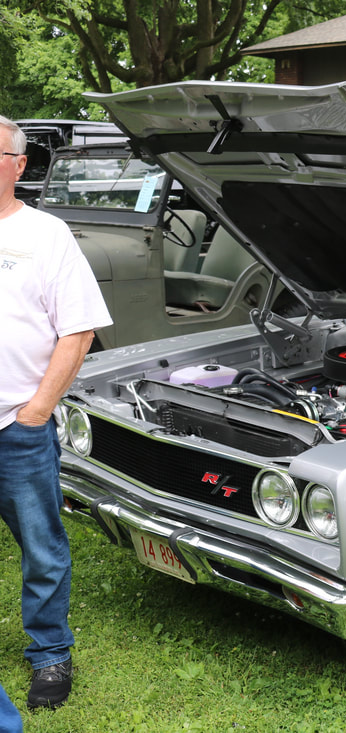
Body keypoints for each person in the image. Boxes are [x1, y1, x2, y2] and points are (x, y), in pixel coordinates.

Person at [0, 115, 112, 710]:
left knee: (41, 547)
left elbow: (79, 328)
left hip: (16, 427)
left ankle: (49, 655)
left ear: (19, 166)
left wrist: (38, 411)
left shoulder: (47, 235)